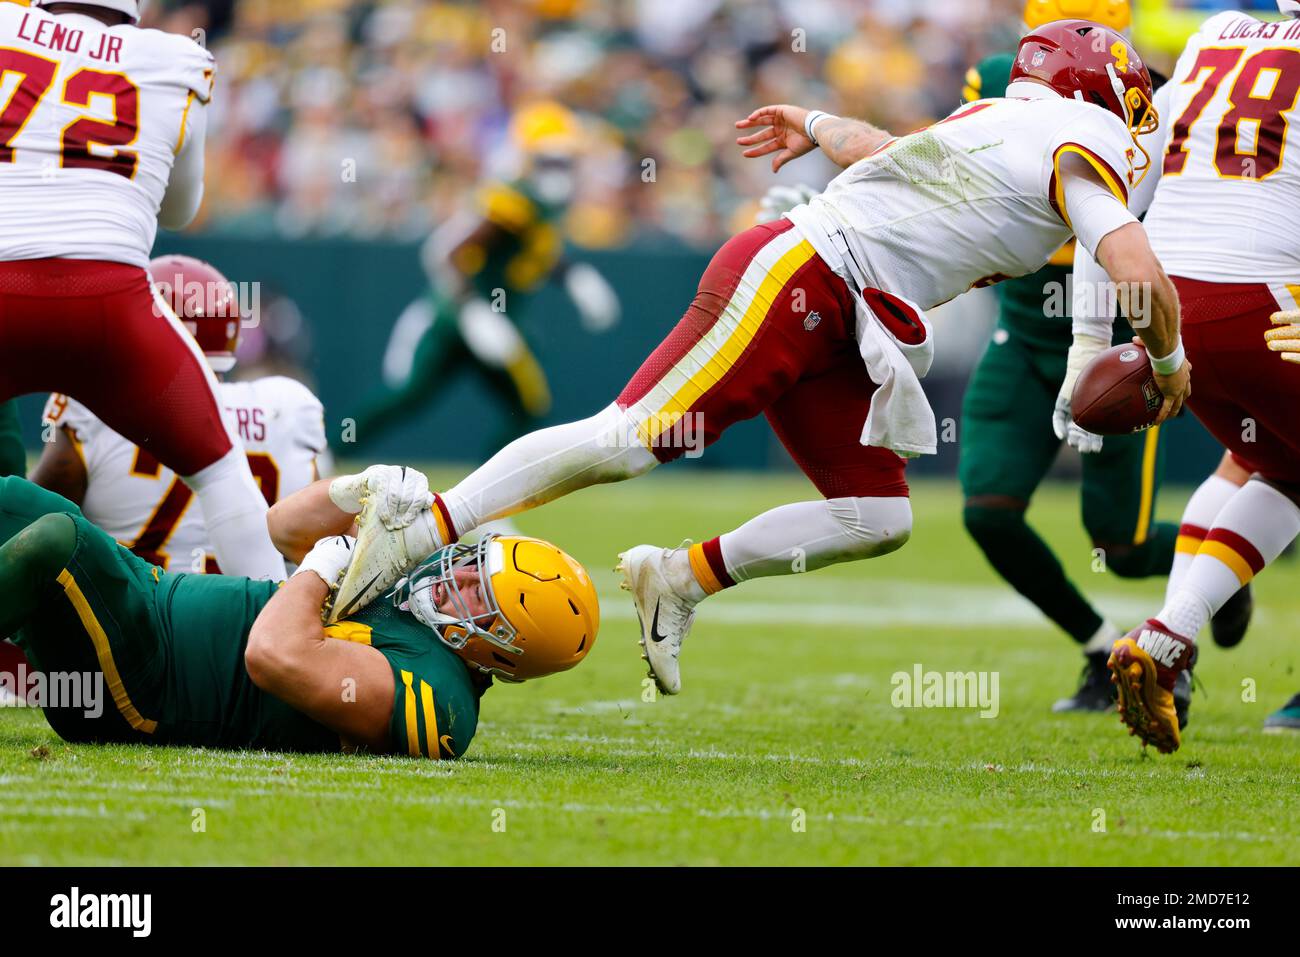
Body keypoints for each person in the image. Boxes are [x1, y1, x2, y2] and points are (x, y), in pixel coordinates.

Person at [327, 21, 1190, 700]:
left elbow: (883, 153)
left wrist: (816, 121)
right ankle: (429, 522)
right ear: (1104, 85)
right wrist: (1170, 360)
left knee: (875, 516)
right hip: (803, 272)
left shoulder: (1004, 120)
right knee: (626, 439)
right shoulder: (1091, 137)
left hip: (849, 312)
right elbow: (1132, 264)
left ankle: (677, 576)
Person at [0, 465, 598, 758]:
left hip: (148, 685)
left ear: (502, 648)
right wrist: (359, 490)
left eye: (480, 594)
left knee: (56, 542)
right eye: (474, 565)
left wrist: (325, 565)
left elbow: (274, 656)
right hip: (151, 593)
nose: (457, 577)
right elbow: (283, 527)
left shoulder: (441, 697)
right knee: (14, 500)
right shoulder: (423, 594)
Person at [1068, 2, 1300, 752]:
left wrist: (1090, 338)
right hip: (1263, 298)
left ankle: (1168, 640)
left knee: (1269, 464)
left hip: (1168, 298)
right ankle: (1171, 637)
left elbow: (1117, 187)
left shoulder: (1213, 35)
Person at [0, 0, 285, 581]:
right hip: (109, 306)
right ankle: (281, 645)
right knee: (222, 473)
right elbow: (181, 207)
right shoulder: (175, 58)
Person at [342, 101, 620, 456]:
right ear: (526, 158)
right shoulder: (508, 198)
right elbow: (443, 253)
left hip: (499, 323)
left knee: (530, 408)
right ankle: (330, 452)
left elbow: (537, 254)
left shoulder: (540, 203)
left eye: (564, 161)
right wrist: (474, 311)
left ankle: (487, 496)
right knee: (407, 396)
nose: (559, 171)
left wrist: (575, 278)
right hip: (454, 320)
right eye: (550, 161)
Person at [29, 255, 326, 573]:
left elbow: (30, 522)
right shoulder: (287, 406)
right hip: (251, 615)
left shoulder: (94, 409)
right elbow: (321, 542)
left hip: (134, 617)